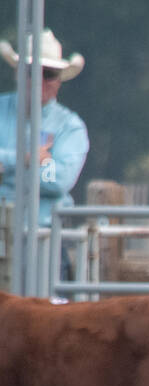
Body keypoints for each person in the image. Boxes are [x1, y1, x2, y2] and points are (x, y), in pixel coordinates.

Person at [0, 28, 90, 275]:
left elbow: (58, 181)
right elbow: (50, 174)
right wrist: (26, 159)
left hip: (45, 237)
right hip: (2, 232)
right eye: (32, 72)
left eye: (48, 74)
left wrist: (4, 168)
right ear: (19, 74)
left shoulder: (70, 126)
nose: (39, 81)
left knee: (49, 308)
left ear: (59, 80)